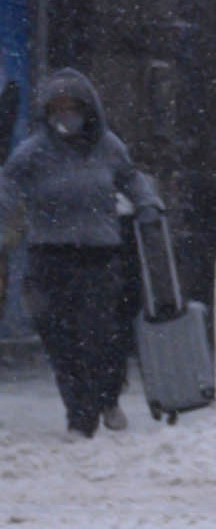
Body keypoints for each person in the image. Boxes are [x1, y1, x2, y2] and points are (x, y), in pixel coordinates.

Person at [4, 72, 161, 436]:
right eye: (56, 109)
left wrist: (148, 205)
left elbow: (130, 178)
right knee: (60, 340)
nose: (65, 117)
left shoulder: (108, 147)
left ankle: (103, 398)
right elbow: (8, 183)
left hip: (98, 256)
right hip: (49, 255)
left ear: (87, 110)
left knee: (99, 335)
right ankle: (80, 413)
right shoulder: (34, 151)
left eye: (71, 108)